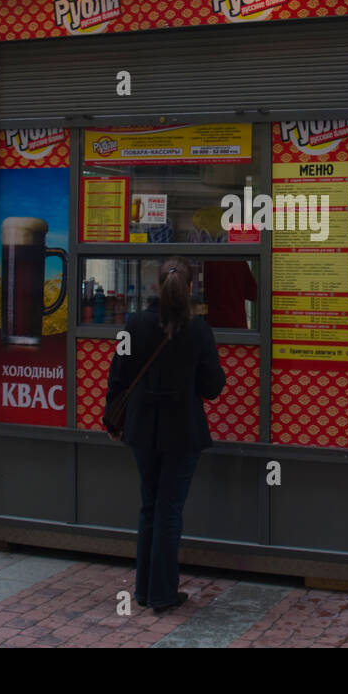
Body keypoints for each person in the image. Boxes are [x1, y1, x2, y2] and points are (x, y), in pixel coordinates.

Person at [106, 257, 225, 614]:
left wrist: (113, 423)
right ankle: (162, 593)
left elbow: (118, 376)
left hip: (141, 430)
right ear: (190, 288)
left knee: (149, 506)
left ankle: (144, 589)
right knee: (169, 511)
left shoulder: (134, 324)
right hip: (182, 432)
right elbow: (212, 387)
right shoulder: (199, 330)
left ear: (157, 286)